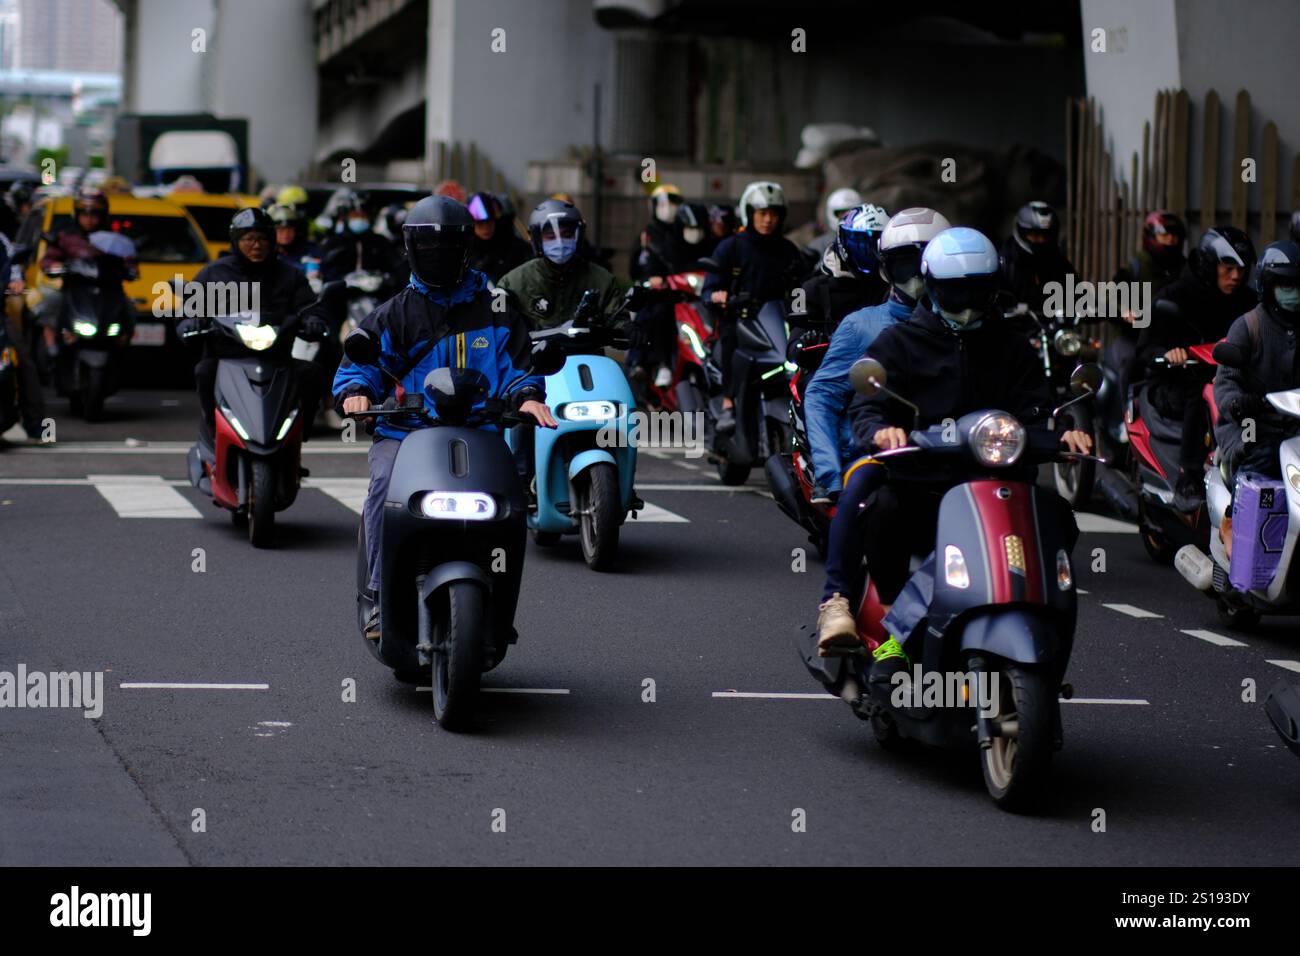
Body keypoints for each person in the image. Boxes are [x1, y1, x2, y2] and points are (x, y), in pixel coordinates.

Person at [816, 227, 1091, 669]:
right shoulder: (899, 343)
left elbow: (1035, 411)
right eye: (954, 291)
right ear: (932, 286)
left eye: (977, 291)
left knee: (1057, 515)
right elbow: (870, 407)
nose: (965, 303)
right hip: (919, 487)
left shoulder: (1013, 348)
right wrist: (884, 431)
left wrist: (1063, 435)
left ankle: (1042, 621)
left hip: (994, 485)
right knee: (870, 496)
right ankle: (852, 607)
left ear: (994, 289)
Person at [332, 196, 558, 638]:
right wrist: (357, 392)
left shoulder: (496, 308)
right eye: (428, 248)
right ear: (412, 249)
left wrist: (528, 395)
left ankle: (499, 604)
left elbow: (518, 366)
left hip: (481, 432)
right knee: (382, 487)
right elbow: (361, 363)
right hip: (406, 433)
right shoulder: (395, 313)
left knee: (508, 506)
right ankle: (379, 595)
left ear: (464, 247)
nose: (437, 257)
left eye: (446, 248)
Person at [805, 207, 950, 507]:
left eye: (925, 265)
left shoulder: (969, 331)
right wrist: (830, 475)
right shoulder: (861, 325)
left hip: (953, 459)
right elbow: (822, 395)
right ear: (887, 268)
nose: (916, 277)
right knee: (858, 512)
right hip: (877, 457)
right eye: (904, 265)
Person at [178, 208, 329, 455]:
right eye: (248, 239)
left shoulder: (289, 275)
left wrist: (314, 321)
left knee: (312, 373)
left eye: (262, 238)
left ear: (271, 241)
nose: (256, 245)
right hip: (227, 356)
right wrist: (191, 323)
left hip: (277, 358)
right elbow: (190, 310)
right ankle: (213, 430)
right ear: (236, 241)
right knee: (204, 371)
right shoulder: (214, 273)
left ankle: (299, 433)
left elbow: (310, 307)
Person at [1137, 226, 1258, 511]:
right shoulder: (1177, 296)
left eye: (1241, 269)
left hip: (1235, 384)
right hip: (1177, 384)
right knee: (1201, 387)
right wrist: (1168, 353)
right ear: (1208, 264)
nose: (1236, 276)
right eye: (1228, 268)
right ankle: (1188, 477)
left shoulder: (1250, 303)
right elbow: (1145, 349)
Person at [1213, 240, 1300, 557]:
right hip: (1251, 425)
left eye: (1298, 286)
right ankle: (1234, 523)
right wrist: (1237, 403)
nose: (1293, 293)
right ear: (1268, 286)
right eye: (1285, 286)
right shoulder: (1248, 326)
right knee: (1261, 463)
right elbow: (1225, 381)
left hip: (1295, 429)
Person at [702, 181, 804, 430]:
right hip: (741, 320)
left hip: (778, 322)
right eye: (762, 213)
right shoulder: (731, 247)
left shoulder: (788, 250)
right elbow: (710, 287)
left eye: (773, 214)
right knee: (728, 341)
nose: (768, 219)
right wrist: (719, 296)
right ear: (749, 213)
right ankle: (728, 402)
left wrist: (805, 307)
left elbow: (802, 286)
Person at [35, 187, 135, 365]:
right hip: (74, 291)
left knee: (129, 307)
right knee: (49, 303)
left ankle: (122, 348)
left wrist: (130, 270)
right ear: (77, 214)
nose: (89, 220)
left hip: (108, 292)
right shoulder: (65, 236)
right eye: (85, 214)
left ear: (102, 215)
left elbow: (129, 261)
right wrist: (56, 266)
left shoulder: (114, 239)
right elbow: (48, 260)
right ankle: (51, 347)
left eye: (94, 214)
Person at [497, 198, 622, 331]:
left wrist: (624, 327)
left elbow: (617, 318)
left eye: (567, 235)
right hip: (534, 351)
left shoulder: (602, 280)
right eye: (551, 236)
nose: (560, 243)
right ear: (536, 238)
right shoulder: (512, 283)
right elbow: (498, 325)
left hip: (587, 351)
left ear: (577, 236)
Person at [787, 202, 890, 354]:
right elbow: (792, 344)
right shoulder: (810, 288)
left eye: (877, 245)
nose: (871, 254)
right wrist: (805, 347)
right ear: (844, 244)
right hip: (829, 371)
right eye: (862, 246)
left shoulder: (893, 286)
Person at [1107, 211, 1186, 399]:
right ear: (1151, 237)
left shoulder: (1185, 269)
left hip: (1168, 338)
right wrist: (1124, 311)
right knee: (1131, 362)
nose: (1170, 241)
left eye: (1174, 236)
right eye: (1164, 235)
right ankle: (1125, 417)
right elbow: (1113, 296)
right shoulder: (1136, 268)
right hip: (1133, 337)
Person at [999, 201, 1075, 314]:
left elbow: (1079, 297)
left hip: (1055, 330)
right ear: (1022, 232)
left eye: (1046, 235)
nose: (1041, 240)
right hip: (1015, 330)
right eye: (1035, 235)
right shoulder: (1005, 265)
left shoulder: (1059, 263)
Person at [320, 193, 403, 282]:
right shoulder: (334, 243)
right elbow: (325, 270)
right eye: (355, 216)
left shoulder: (381, 242)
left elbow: (395, 268)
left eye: (363, 216)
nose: (359, 219)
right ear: (346, 218)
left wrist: (384, 278)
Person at [465, 191, 531, 282]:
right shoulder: (464, 250)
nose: (486, 227)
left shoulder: (517, 249)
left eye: (490, 221)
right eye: (480, 223)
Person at [805, 187, 864, 260]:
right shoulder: (819, 245)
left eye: (851, 213)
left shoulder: (869, 241)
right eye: (841, 213)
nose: (846, 217)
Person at [269, 202, 322, 270]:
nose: (286, 234)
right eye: (280, 230)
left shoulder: (309, 250)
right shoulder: (266, 254)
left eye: (290, 229)